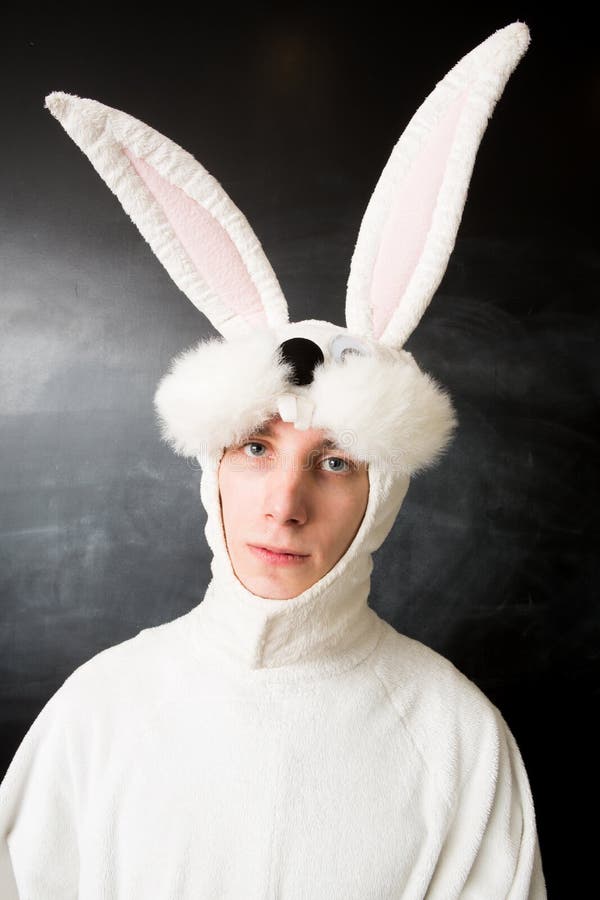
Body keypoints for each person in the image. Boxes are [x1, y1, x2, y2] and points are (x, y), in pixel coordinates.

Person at [0, 21, 548, 898]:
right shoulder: (100, 711)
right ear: (212, 468)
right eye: (256, 447)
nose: (283, 502)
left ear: (384, 492)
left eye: (334, 463)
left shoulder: (456, 737)